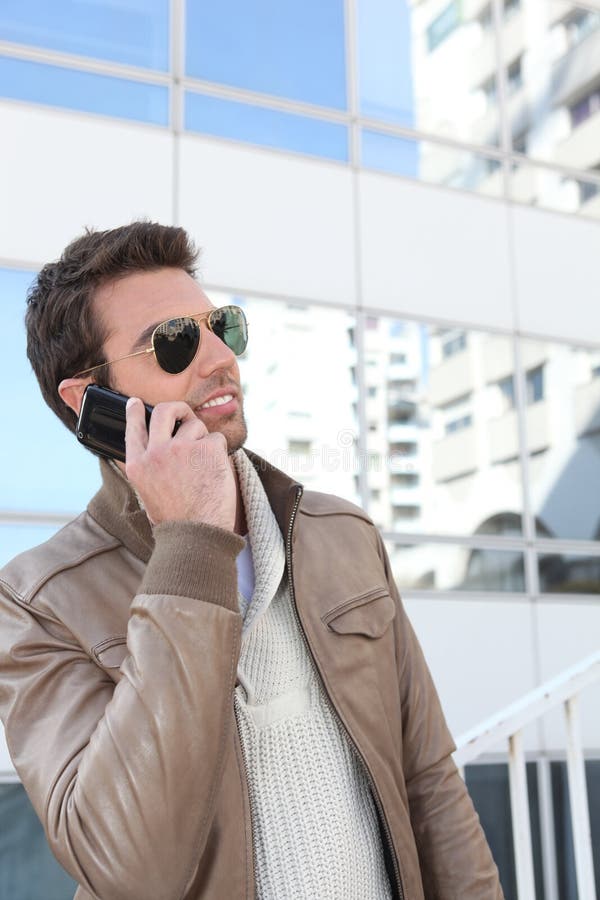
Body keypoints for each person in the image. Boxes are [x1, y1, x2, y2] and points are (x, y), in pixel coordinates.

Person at [0, 222, 503, 900]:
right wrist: (189, 546)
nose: (217, 358)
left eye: (221, 327)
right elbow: (127, 868)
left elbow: (430, 782)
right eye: (172, 342)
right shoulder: (36, 600)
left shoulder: (341, 534)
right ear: (88, 399)